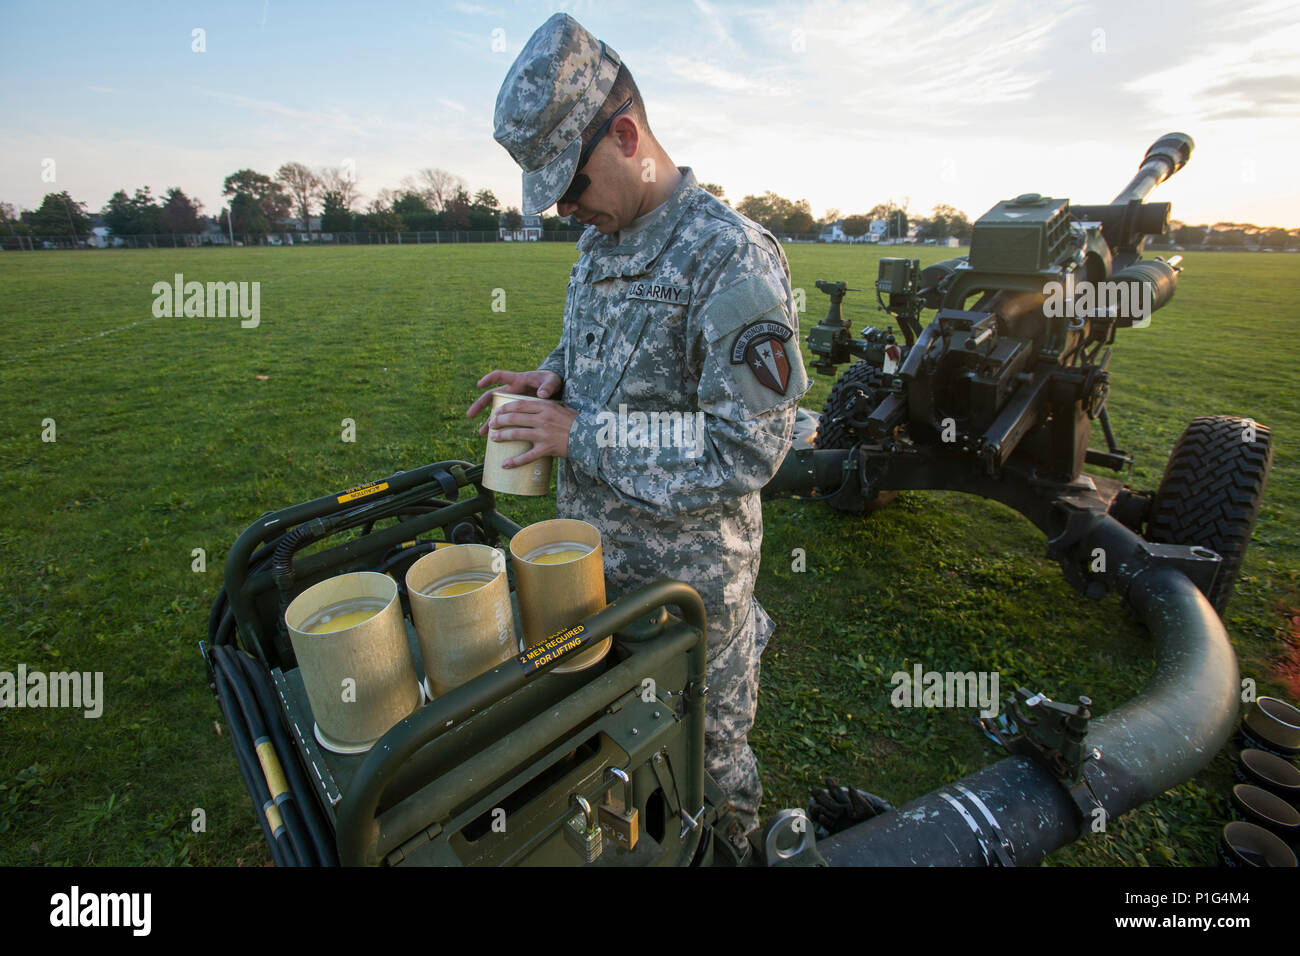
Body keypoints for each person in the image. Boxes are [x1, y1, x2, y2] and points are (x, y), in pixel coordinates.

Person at [466, 12, 809, 853]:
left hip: (688, 597)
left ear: (626, 135)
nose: (567, 211)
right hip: (595, 572)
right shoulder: (602, 239)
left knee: (708, 767)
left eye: (572, 187)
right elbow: (596, 344)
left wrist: (576, 431)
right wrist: (553, 375)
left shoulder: (729, 258)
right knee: (613, 755)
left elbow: (747, 448)